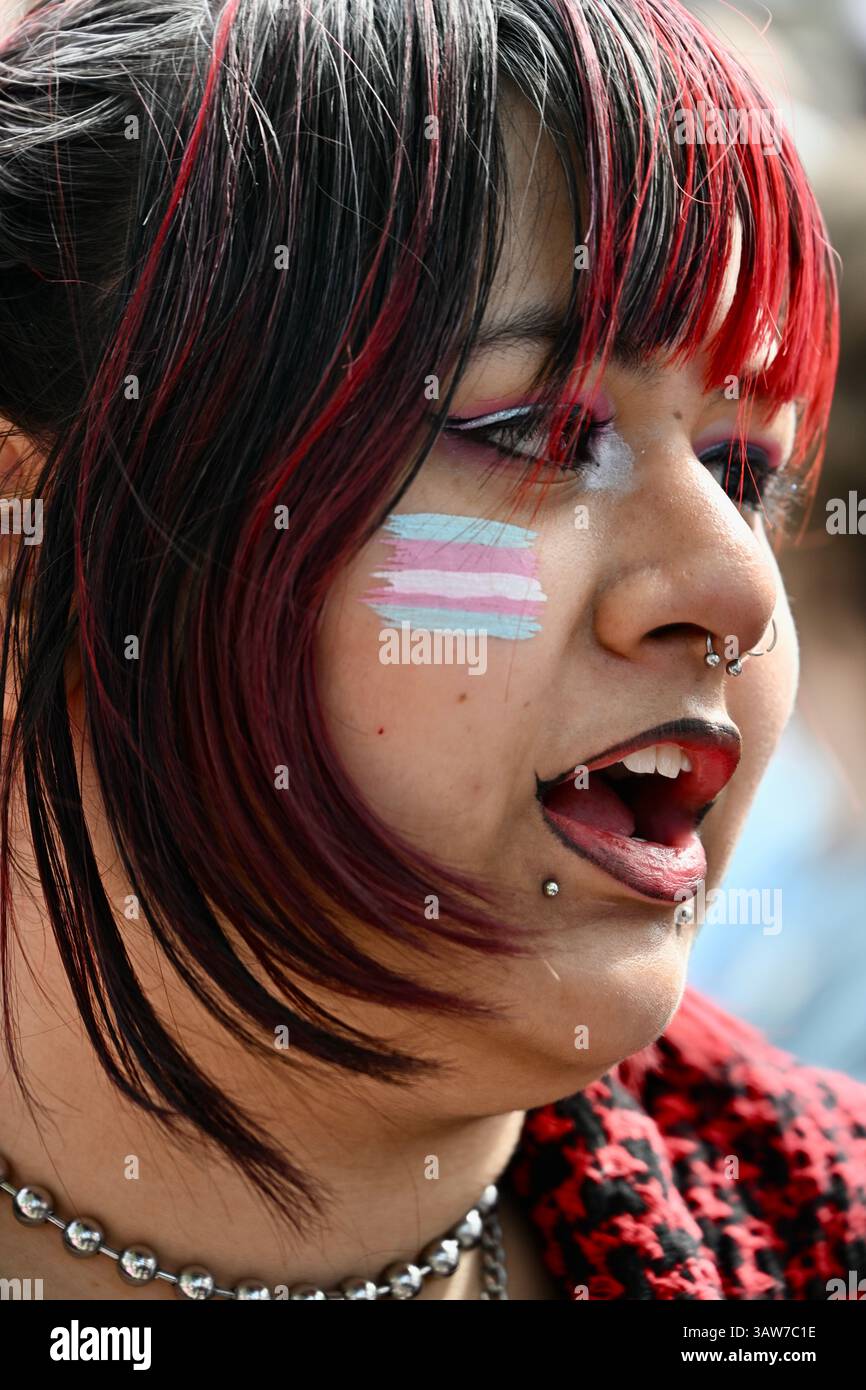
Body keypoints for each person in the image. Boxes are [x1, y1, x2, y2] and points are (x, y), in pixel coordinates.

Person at [0, 0, 862, 1302]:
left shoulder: (821, 1243)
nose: (735, 591)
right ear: (33, 550)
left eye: (746, 470)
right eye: (534, 430)